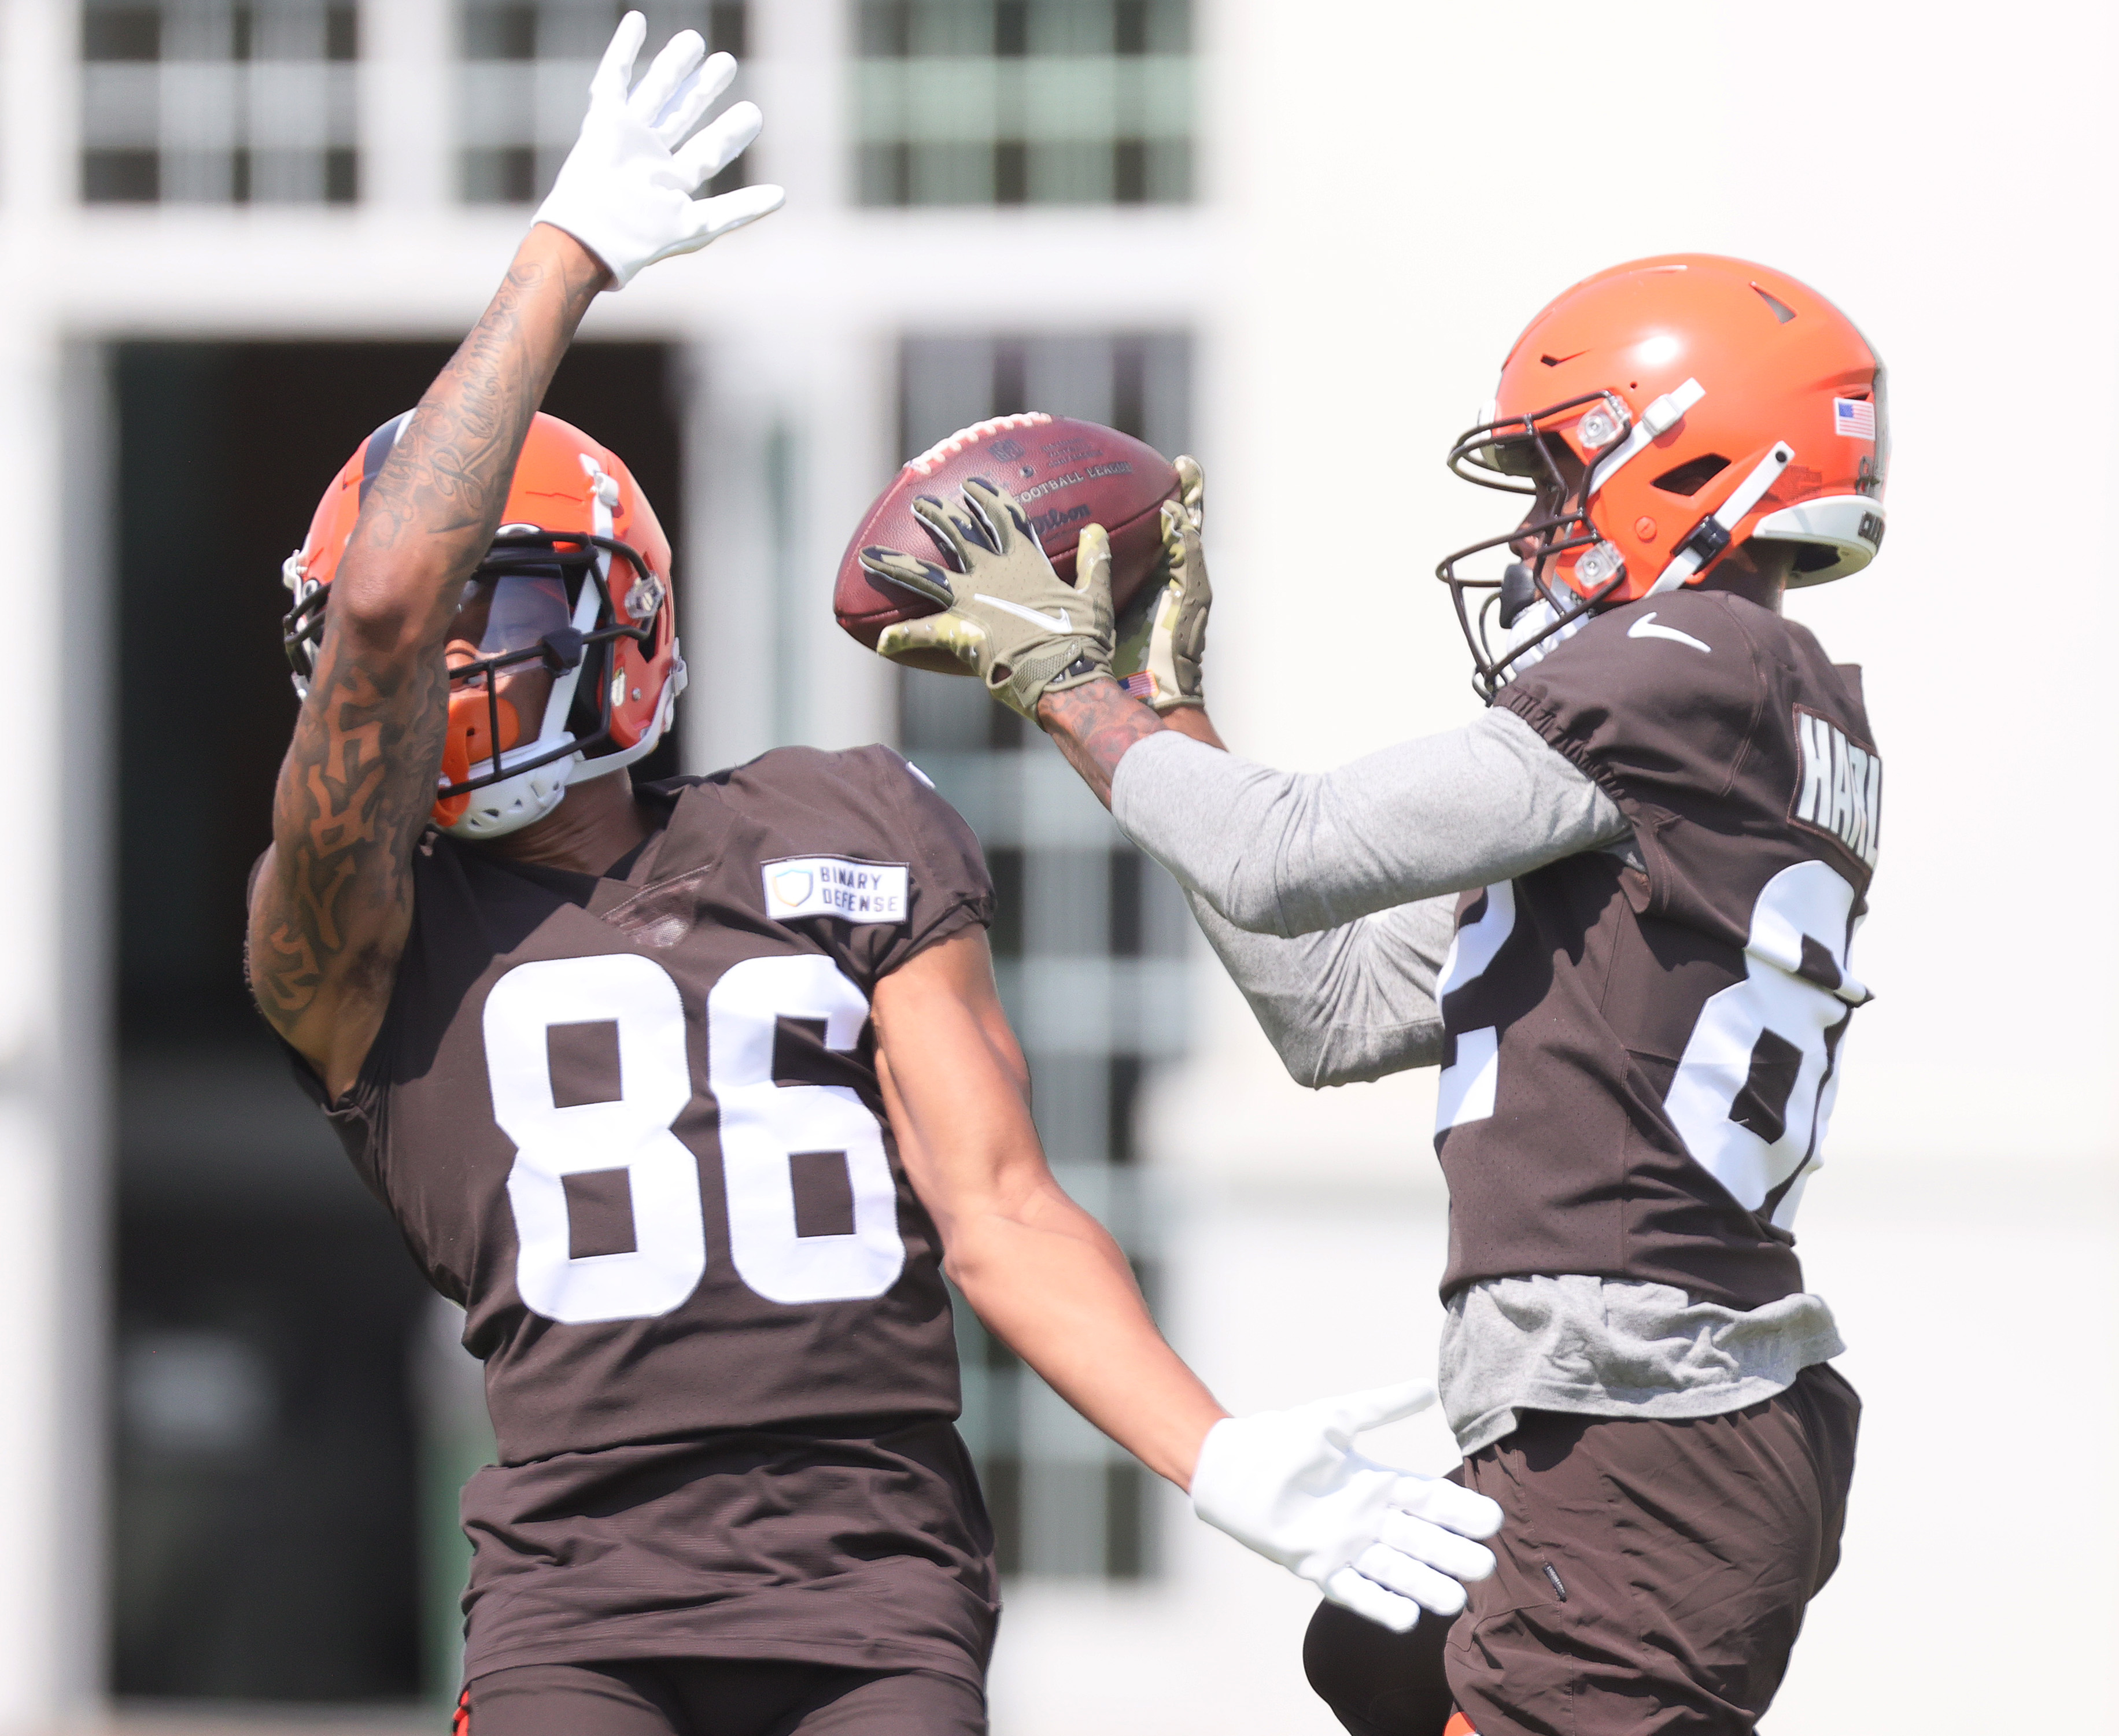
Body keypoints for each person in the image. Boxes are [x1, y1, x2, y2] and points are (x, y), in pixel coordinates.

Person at [245, 16, 1503, 1734]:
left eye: (505, 613)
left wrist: (1212, 1455)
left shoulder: (834, 818)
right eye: (404, 646)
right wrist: (567, 259)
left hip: (876, 1584)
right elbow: (386, 599)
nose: (442, 669)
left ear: (622, 617)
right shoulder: (351, 948)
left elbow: (998, 1209)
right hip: (574, 1603)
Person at [859, 254, 1882, 1735]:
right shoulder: (1749, 716)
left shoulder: (1684, 664)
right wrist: (1163, 714)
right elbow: (1330, 1006)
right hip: (1641, 1412)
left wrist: (1067, 684)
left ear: (1704, 459)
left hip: (1641, 1430)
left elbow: (1283, 857)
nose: (1537, 529)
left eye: (1559, 475)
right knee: (1373, 1654)